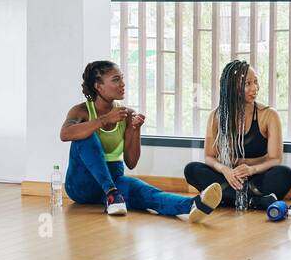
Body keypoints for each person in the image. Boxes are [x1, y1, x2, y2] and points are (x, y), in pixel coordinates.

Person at [60, 60, 222, 222]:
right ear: (98, 86)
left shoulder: (127, 115)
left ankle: (194, 204)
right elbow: (65, 134)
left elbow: (131, 162)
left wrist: (135, 130)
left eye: (122, 78)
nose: (123, 84)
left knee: (147, 192)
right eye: (116, 80)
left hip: (114, 180)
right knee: (84, 133)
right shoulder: (81, 111)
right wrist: (104, 120)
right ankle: (111, 194)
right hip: (81, 185)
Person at [183, 60, 291, 211]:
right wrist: (225, 170)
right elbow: (209, 156)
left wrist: (252, 170)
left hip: (256, 178)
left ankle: (223, 198)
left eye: (256, 82)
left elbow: (275, 158)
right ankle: (255, 201)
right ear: (232, 88)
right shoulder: (216, 116)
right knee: (192, 169)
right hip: (228, 178)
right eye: (248, 83)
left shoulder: (268, 115)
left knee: (285, 174)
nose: (255, 88)